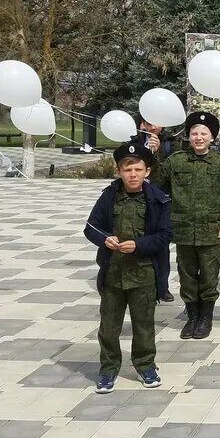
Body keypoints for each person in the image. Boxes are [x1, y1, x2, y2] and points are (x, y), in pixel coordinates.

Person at [84, 142, 171, 393]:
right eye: (127, 169)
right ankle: (108, 369)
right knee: (109, 326)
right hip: (113, 272)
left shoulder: (157, 199)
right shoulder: (109, 196)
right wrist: (105, 240)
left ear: (147, 172)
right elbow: (91, 228)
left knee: (144, 324)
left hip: (144, 272)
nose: (132, 174)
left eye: (137, 169)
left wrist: (140, 244)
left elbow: (166, 234)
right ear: (119, 171)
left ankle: (145, 365)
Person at [152, 112, 220, 340]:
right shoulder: (176, 160)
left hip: (211, 230)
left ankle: (205, 319)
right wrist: (155, 152)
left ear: (212, 137)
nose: (198, 137)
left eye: (203, 134)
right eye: (194, 133)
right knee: (187, 276)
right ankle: (192, 316)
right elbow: (157, 183)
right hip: (183, 229)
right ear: (188, 137)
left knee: (209, 277)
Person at [130, 118, 174, 302]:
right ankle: (137, 282)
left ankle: (162, 287)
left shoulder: (171, 144)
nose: (153, 126)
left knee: (161, 245)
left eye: (157, 122)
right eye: (148, 123)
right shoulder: (134, 143)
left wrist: (157, 153)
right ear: (142, 124)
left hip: (158, 199)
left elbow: (166, 173)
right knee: (136, 239)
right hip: (136, 198)